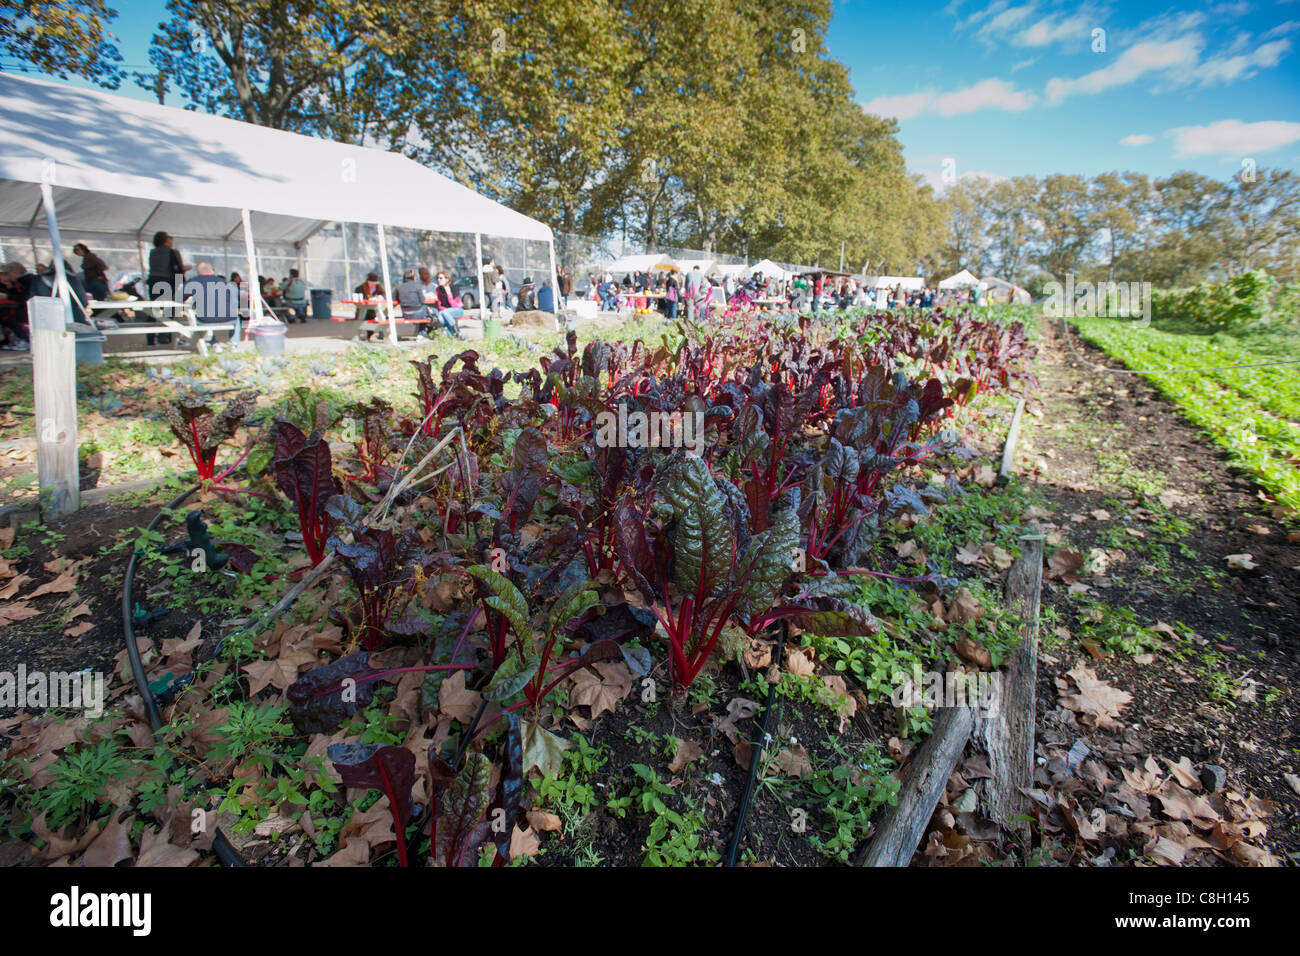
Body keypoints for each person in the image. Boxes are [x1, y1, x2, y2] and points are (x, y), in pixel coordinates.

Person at [183, 262, 238, 345]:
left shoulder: (192, 282)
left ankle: (213, 342)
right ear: (211, 271)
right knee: (237, 316)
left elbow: (179, 298)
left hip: (206, 320)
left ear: (198, 272)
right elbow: (235, 300)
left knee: (194, 316)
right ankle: (233, 342)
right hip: (229, 319)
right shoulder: (224, 282)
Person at [146, 230, 183, 346]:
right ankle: (166, 336)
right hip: (167, 282)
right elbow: (178, 270)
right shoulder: (172, 252)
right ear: (166, 241)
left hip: (153, 281)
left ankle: (150, 339)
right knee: (169, 309)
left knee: (153, 309)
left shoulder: (152, 252)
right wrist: (179, 283)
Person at [0, 261, 33, 350]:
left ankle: (26, 340)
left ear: (14, 272)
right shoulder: (21, 281)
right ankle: (22, 340)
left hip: (28, 309)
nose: (7, 276)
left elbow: (23, 299)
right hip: (24, 308)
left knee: (5, 314)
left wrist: (7, 296)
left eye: (7, 273)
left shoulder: (26, 281)